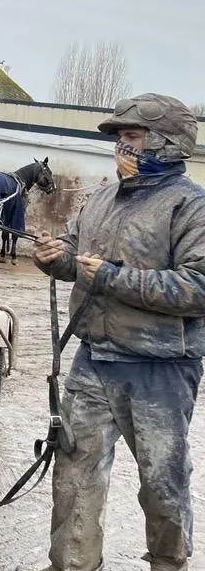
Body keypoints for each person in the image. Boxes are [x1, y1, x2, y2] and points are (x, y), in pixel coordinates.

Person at [33, 94, 205, 571]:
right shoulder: (102, 198)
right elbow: (74, 254)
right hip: (93, 360)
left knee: (162, 481)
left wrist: (113, 277)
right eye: (119, 138)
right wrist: (55, 258)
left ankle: (168, 563)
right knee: (75, 475)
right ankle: (73, 564)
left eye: (131, 137)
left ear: (167, 143)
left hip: (160, 369)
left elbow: (199, 287)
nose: (120, 147)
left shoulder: (192, 207)